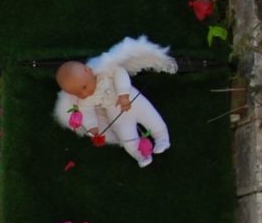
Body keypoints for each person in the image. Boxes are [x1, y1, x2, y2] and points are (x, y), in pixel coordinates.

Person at [53, 35, 176, 166]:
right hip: (116, 114)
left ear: (88, 71)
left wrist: (123, 94)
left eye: (84, 87)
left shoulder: (105, 73)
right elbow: (86, 113)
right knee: (126, 137)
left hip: (134, 101)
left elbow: (121, 73)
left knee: (152, 118)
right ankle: (139, 155)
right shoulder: (84, 100)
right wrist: (92, 128)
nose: (84, 93)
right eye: (77, 93)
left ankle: (162, 139)